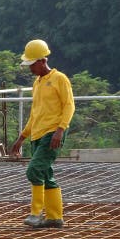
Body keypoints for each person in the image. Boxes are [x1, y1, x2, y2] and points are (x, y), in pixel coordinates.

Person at [9, 39, 75, 228]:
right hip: (37, 135)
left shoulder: (59, 79)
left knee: (34, 170)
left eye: (31, 65)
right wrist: (22, 137)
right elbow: (35, 114)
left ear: (41, 61)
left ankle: (36, 213)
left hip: (52, 133)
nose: (30, 69)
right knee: (46, 175)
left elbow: (69, 105)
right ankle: (55, 217)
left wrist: (60, 130)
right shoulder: (37, 83)